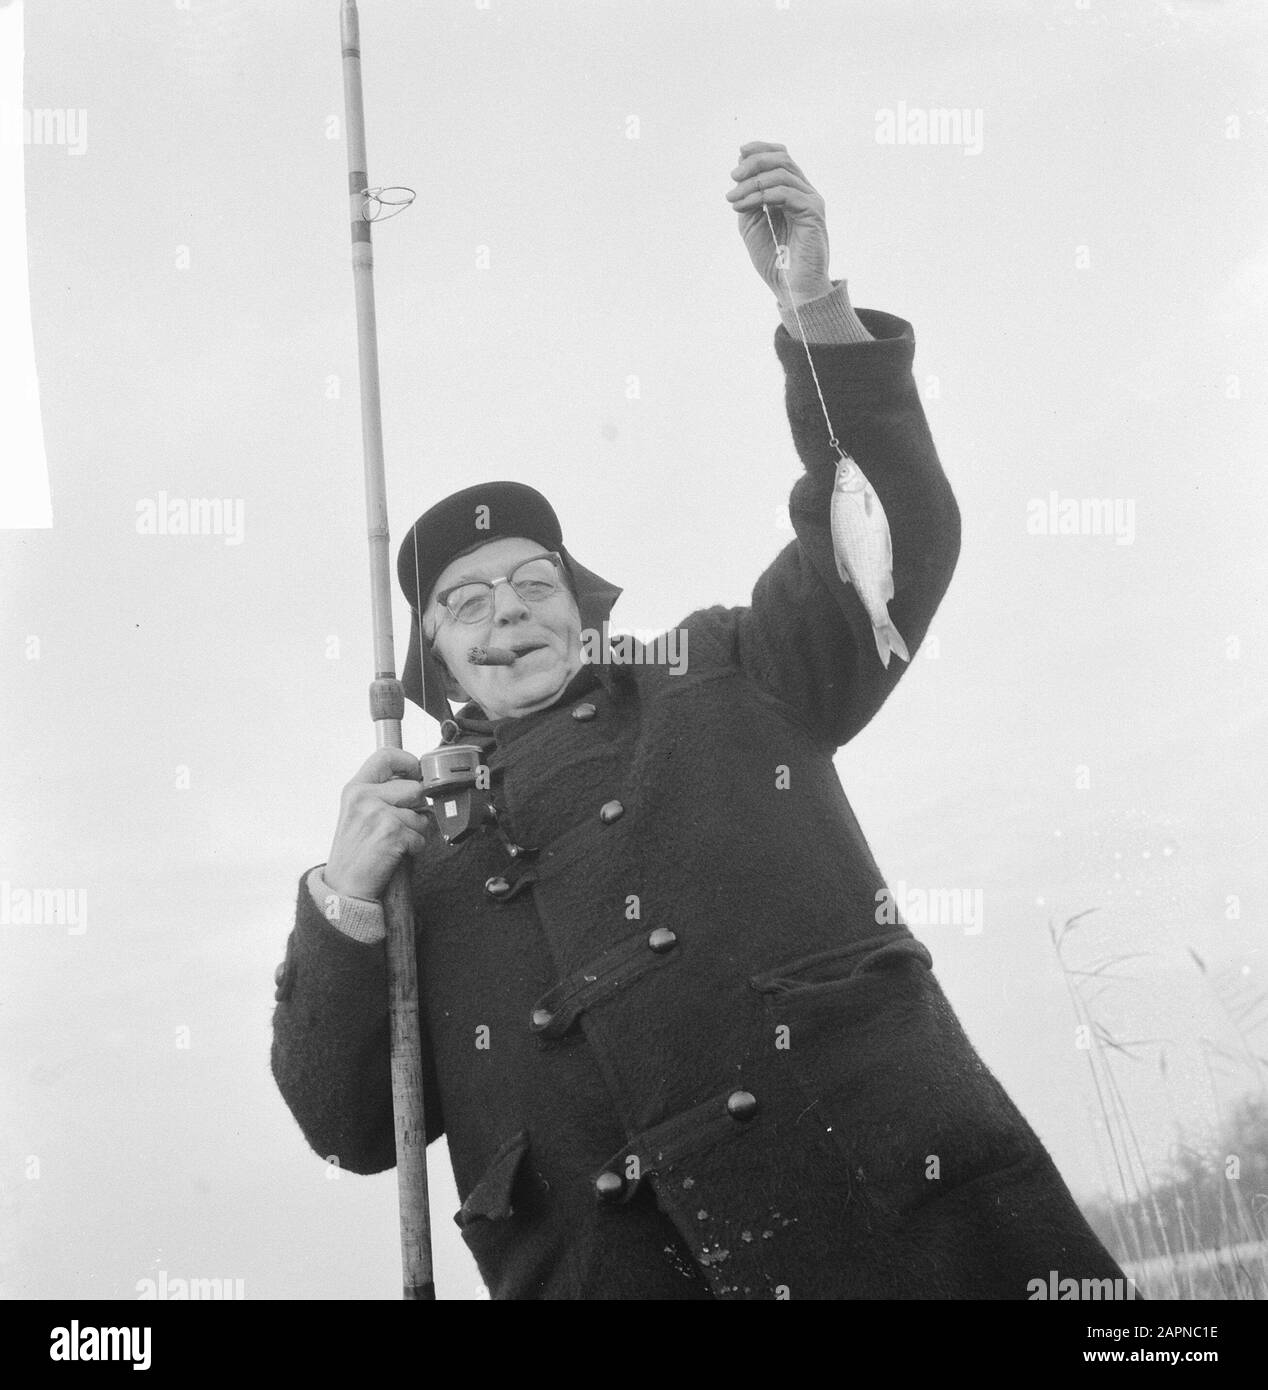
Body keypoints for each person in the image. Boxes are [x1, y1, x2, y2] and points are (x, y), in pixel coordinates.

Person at [271, 141, 1130, 1299]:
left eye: (532, 584)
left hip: (911, 1250)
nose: (506, 612)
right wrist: (344, 901)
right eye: (465, 603)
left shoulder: (724, 668)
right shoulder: (404, 868)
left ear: (581, 610)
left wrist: (811, 311)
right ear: (435, 663)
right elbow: (348, 1129)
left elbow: (890, 536)